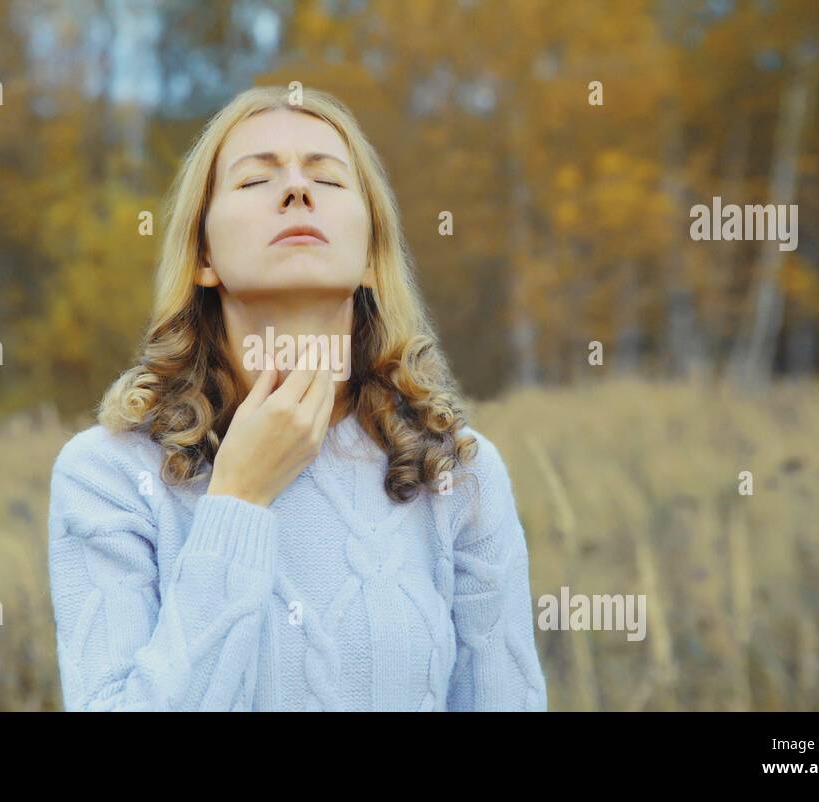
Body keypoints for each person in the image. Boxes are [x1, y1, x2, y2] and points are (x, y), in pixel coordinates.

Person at [47, 84, 547, 711]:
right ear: (204, 255)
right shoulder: (109, 475)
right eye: (255, 181)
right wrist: (238, 499)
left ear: (370, 255)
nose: (296, 190)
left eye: (329, 180)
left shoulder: (456, 474)